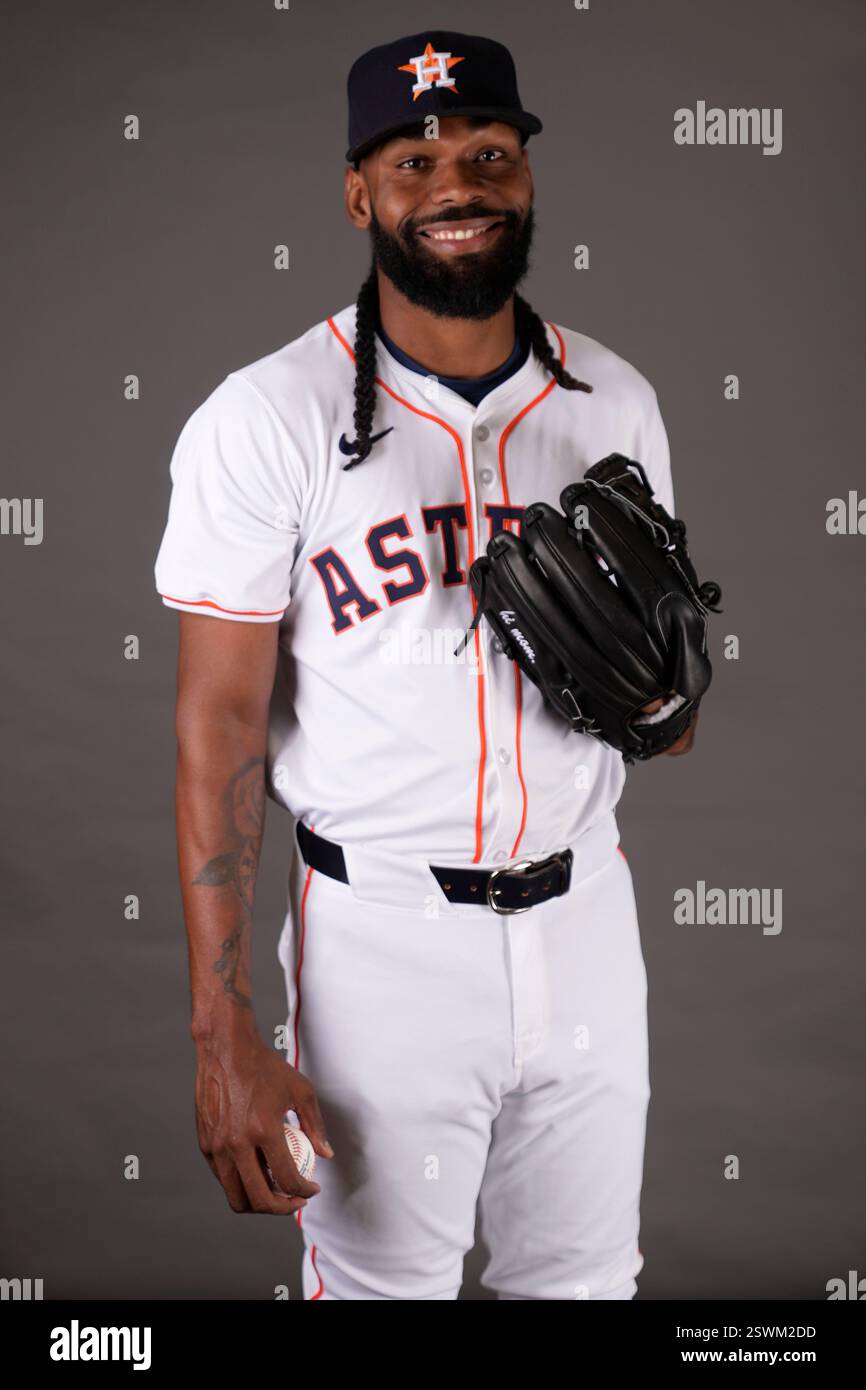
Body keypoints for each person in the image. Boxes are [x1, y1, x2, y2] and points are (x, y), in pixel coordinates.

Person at [155, 30, 694, 1302]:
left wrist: (662, 703)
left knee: (585, 1284)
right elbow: (217, 722)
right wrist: (221, 1018)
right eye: (416, 159)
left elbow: (663, 718)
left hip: (586, 926)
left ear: (525, 178)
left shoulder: (611, 401)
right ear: (361, 195)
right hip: (379, 938)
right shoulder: (266, 416)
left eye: (489, 154)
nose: (458, 185)